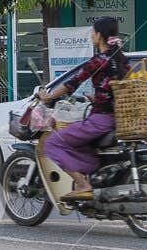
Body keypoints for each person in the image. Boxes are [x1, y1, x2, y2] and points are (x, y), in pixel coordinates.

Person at [37, 16, 129, 199]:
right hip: (118, 118)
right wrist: (97, 97)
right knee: (78, 141)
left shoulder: (99, 60)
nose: (91, 36)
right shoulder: (120, 59)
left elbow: (72, 82)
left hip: (101, 120)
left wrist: (49, 96)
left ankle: (82, 183)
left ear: (100, 35)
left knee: (52, 143)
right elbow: (116, 87)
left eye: (93, 32)